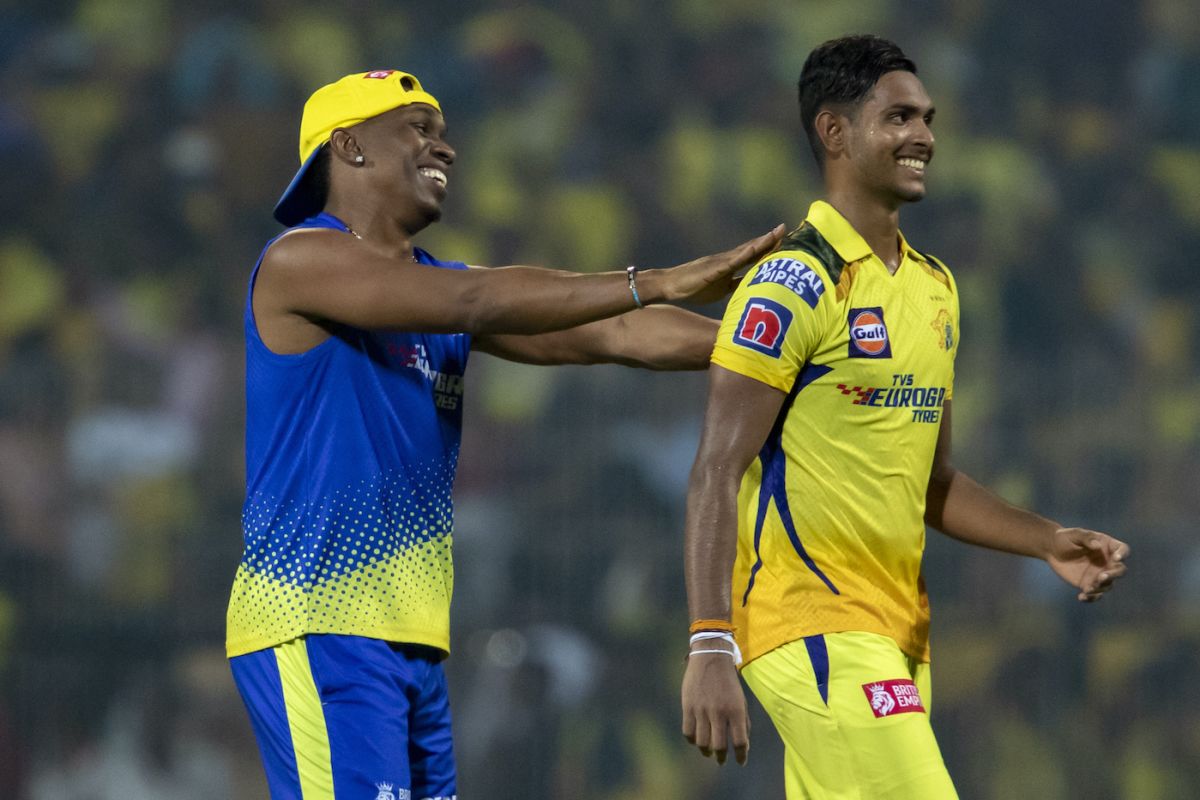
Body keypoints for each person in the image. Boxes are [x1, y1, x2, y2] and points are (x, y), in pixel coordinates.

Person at [224, 69, 784, 800]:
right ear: (350, 146)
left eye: (442, 132)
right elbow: (476, 297)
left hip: (413, 643)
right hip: (316, 621)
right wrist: (657, 278)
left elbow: (616, 332)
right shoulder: (300, 259)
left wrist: (780, 349)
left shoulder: (437, 290)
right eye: (418, 129)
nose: (445, 148)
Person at [678, 35, 1130, 798]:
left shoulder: (935, 289)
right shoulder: (794, 282)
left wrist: (1046, 540)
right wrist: (709, 643)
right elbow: (716, 469)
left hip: (897, 634)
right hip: (812, 622)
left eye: (926, 118)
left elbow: (932, 481)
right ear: (834, 131)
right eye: (899, 117)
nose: (924, 136)